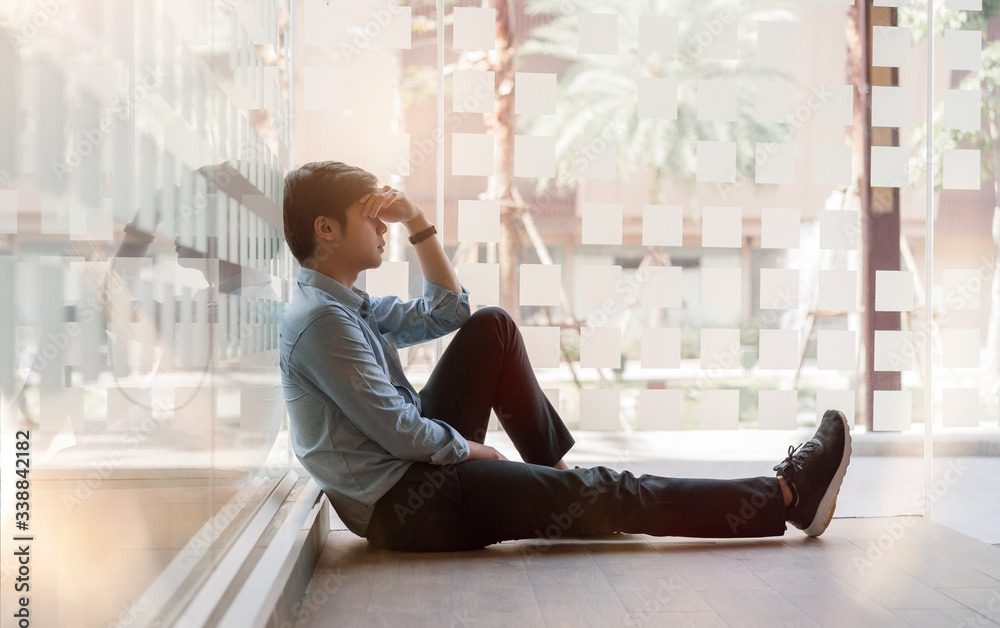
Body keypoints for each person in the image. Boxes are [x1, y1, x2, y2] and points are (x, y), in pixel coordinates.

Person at [278, 160, 853, 552]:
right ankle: (787, 496)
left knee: (492, 328)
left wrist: (419, 226)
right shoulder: (323, 322)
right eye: (370, 215)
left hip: (409, 473)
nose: (383, 227)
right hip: (406, 505)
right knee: (610, 491)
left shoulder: (341, 303)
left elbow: (448, 314)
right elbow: (403, 435)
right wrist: (475, 451)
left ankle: (555, 483)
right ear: (326, 228)